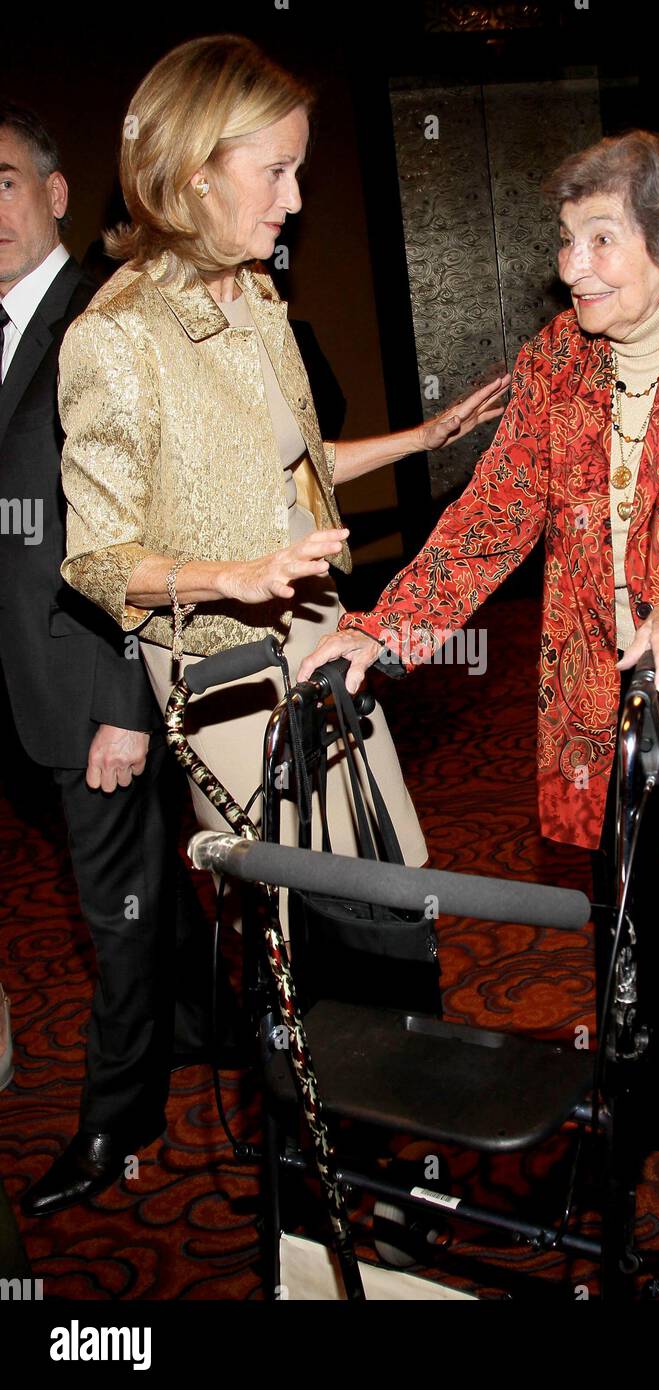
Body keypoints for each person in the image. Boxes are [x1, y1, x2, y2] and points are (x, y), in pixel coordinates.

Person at [299, 130, 659, 1212]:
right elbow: (492, 515)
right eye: (565, 242)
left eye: (598, 240)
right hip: (608, 698)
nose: (571, 267)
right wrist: (386, 628)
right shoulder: (556, 356)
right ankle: (648, 1106)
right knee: (636, 924)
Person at [58, 36, 506, 922]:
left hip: (314, 622)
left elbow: (286, 472)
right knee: (296, 914)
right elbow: (97, 560)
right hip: (223, 664)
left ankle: (397, 1054)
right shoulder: (115, 337)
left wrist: (424, 436)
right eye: (277, 172)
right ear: (194, 173)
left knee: (390, 873)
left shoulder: (256, 293)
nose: (295, 201)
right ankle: (310, 1061)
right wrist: (234, 577)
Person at [0, 103, 233, 1219]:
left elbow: (122, 518)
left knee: (115, 906)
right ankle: (199, 1023)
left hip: (91, 675)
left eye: (2, 180)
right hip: (22, 681)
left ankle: (117, 1111)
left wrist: (119, 704)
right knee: (143, 879)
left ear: (53, 193)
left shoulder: (101, 320)